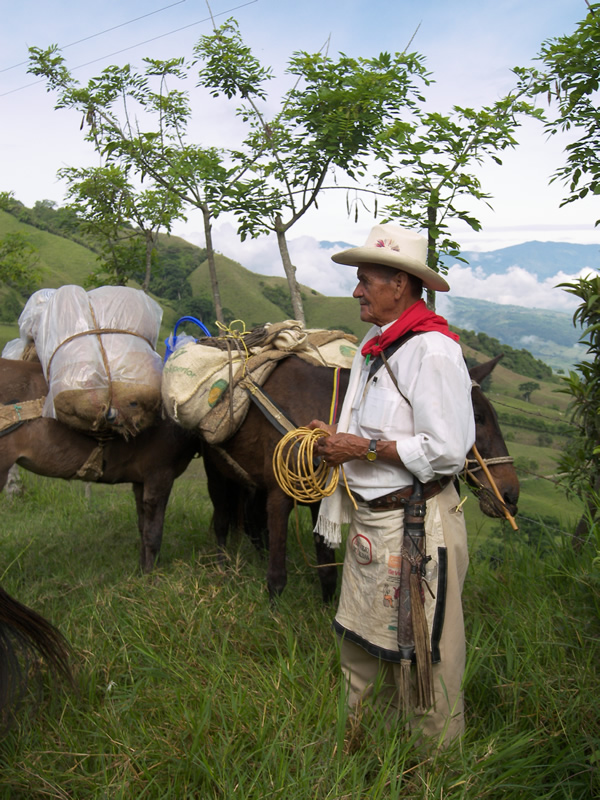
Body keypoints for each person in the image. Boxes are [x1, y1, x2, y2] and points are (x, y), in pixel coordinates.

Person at [308, 223, 475, 747]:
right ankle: (360, 744)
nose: (356, 291)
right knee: (361, 641)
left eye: (366, 280)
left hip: (418, 526)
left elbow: (447, 449)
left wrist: (363, 449)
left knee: (428, 654)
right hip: (374, 522)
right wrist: (338, 438)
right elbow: (372, 429)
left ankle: (434, 767)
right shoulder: (373, 345)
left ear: (400, 285)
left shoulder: (432, 352)